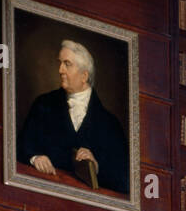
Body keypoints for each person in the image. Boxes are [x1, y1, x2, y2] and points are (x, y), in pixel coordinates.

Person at [17, 39, 129, 194]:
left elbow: (125, 181)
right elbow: (20, 145)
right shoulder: (43, 104)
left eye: (67, 64)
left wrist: (95, 166)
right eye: (60, 63)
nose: (60, 70)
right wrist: (35, 157)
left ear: (84, 76)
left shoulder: (110, 123)